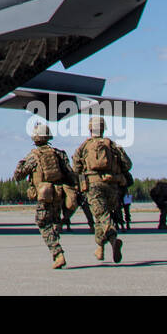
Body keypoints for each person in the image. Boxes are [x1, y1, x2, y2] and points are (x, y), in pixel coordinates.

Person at [13, 123, 78, 269]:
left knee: (42, 223)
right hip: (59, 193)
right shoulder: (59, 154)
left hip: (45, 194)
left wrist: (21, 165)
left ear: (35, 138)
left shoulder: (33, 156)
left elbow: (18, 175)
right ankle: (56, 242)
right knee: (55, 221)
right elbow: (70, 174)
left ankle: (57, 253)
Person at [71, 115, 131, 263]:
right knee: (101, 217)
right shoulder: (112, 145)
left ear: (90, 128)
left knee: (102, 216)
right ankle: (100, 248)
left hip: (94, 186)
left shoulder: (83, 147)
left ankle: (113, 240)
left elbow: (76, 168)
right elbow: (127, 164)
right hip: (112, 186)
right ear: (103, 129)